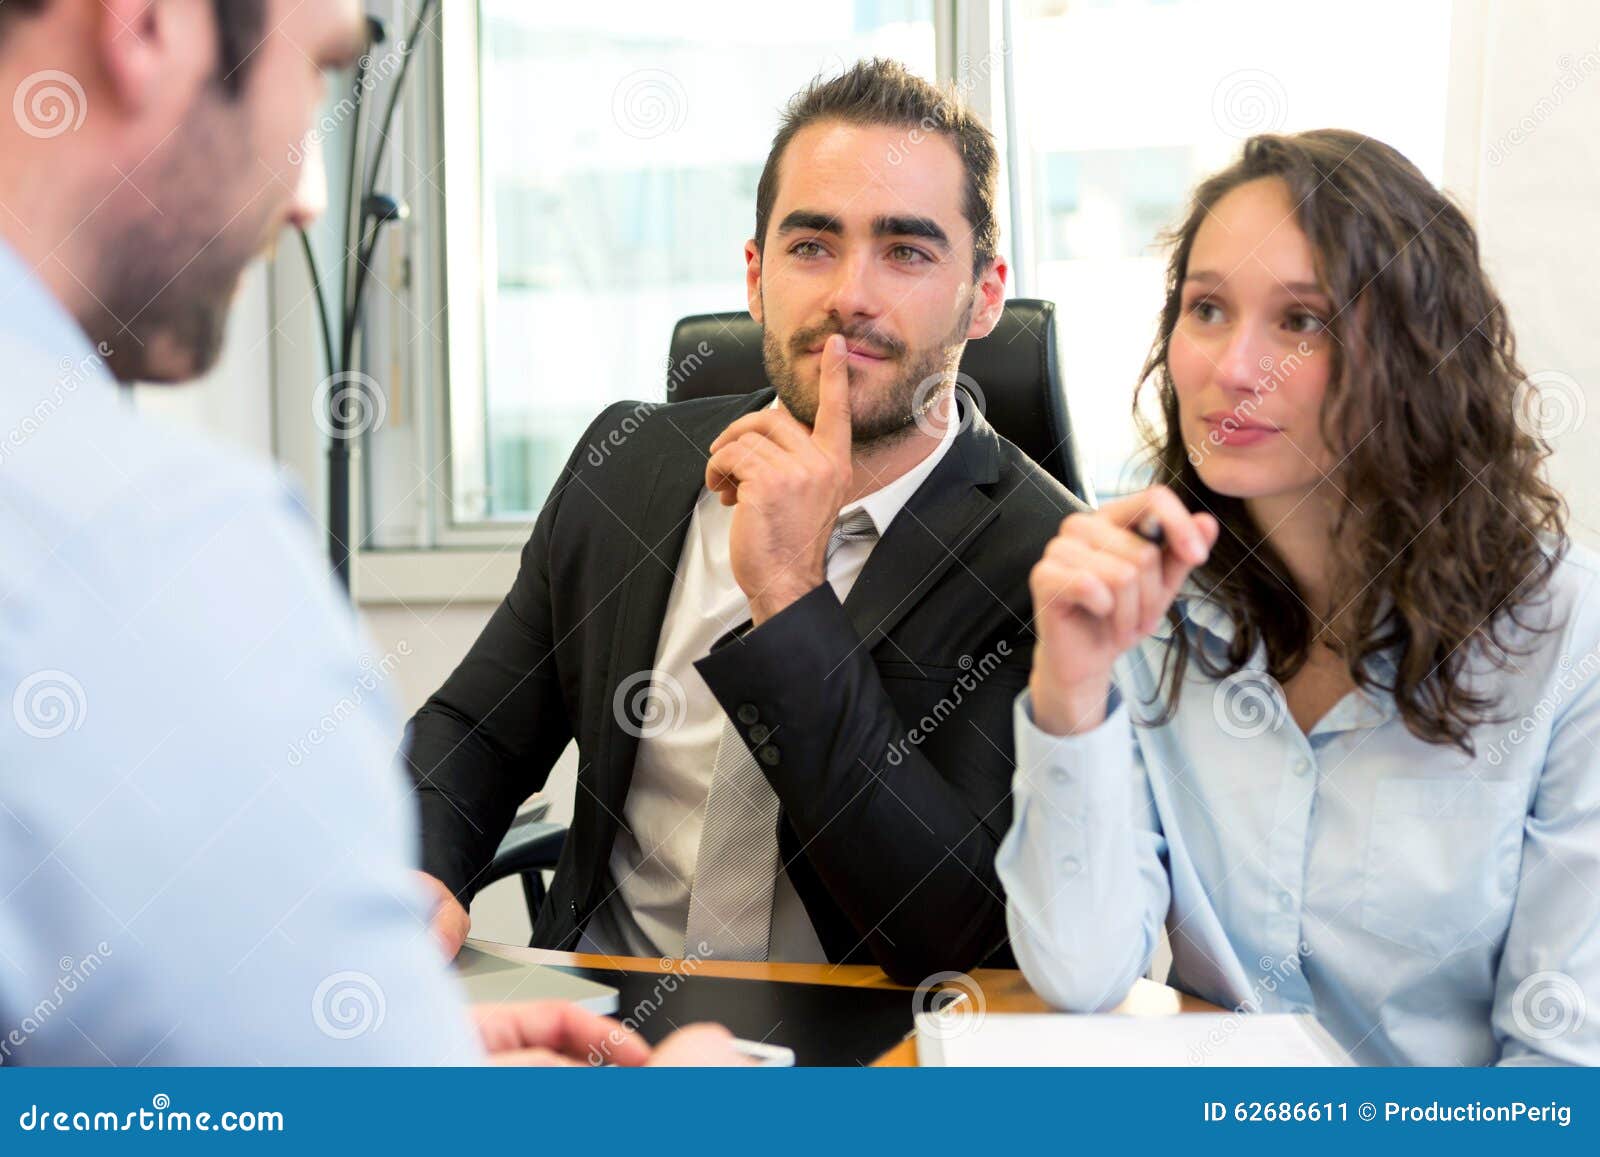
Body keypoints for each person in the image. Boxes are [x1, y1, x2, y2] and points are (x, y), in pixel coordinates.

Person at [0, 0, 734, 1066]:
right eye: (311, 81)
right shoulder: (158, 544)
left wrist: (395, 1049)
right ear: (148, 26)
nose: (303, 196)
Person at [407, 59, 1084, 983]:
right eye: (813, 246)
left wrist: (792, 597)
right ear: (757, 277)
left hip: (863, 1058)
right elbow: (476, 731)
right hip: (601, 1024)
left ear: (988, 291)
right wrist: (417, 867)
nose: (851, 292)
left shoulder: (1053, 562)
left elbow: (950, 931)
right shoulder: (629, 463)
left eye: (907, 251)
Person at [997, 128, 1599, 1066]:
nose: (1233, 368)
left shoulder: (1566, 634)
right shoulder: (1152, 599)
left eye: (1301, 321)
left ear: (1418, 356)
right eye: (1205, 308)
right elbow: (1081, 969)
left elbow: (1564, 1076)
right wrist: (1069, 695)